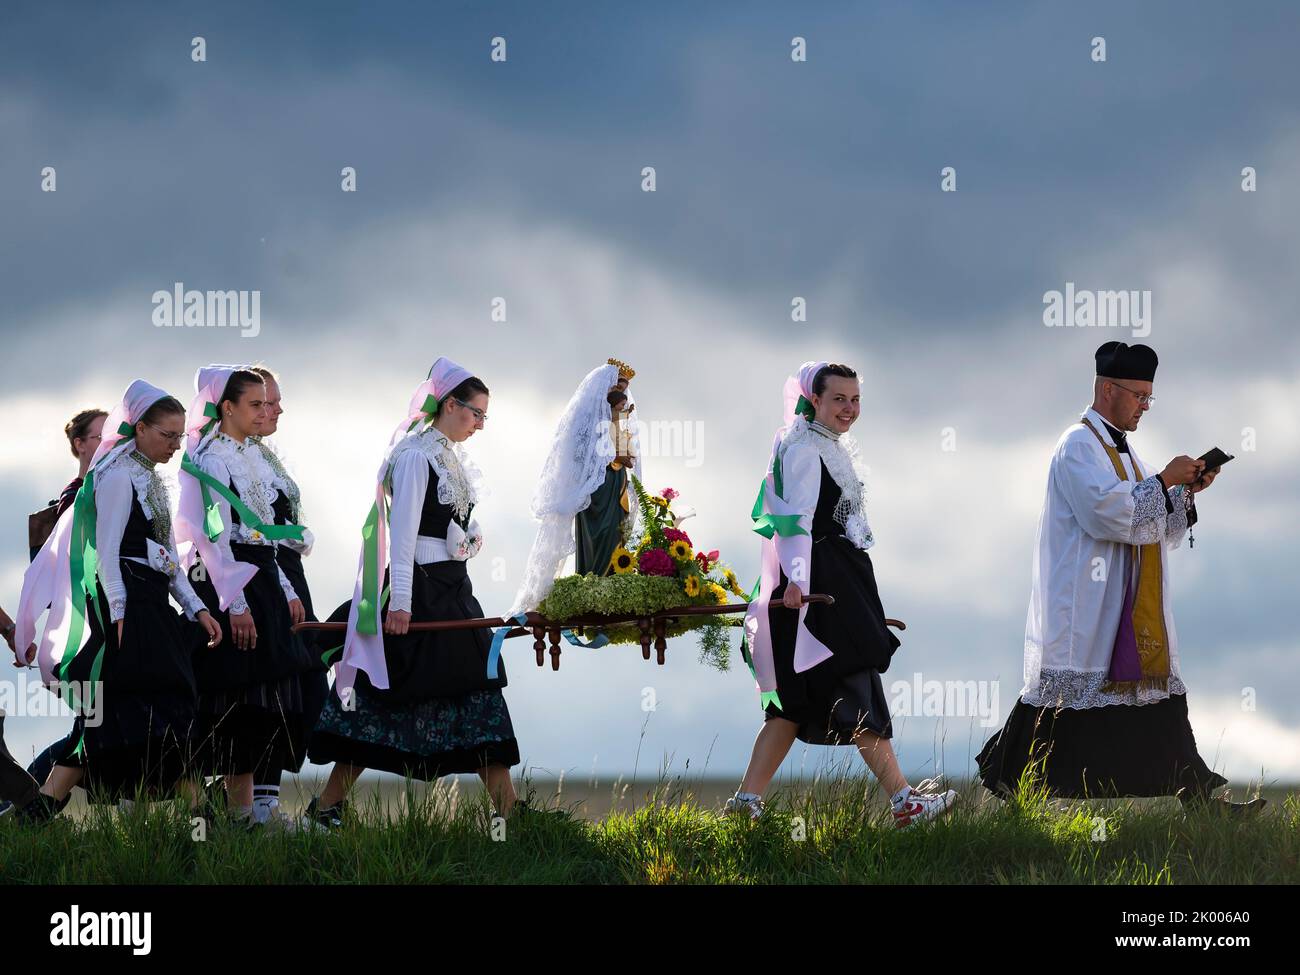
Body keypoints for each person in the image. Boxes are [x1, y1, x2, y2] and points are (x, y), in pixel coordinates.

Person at [976, 342, 1260, 813]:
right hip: (1084, 604)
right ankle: (1013, 791)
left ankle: (1203, 804)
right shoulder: (1077, 445)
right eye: (1139, 397)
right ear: (1108, 389)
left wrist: (1186, 491)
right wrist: (1165, 482)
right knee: (1059, 711)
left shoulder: (1128, 456)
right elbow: (1107, 514)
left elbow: (1157, 525)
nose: (1145, 407)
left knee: (1161, 708)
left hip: (1125, 604)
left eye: (1150, 398)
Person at [728, 361, 958, 828]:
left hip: (835, 577)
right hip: (816, 584)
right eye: (838, 399)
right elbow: (795, 523)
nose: (849, 409)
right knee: (855, 682)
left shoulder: (827, 447)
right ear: (814, 400)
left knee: (794, 704)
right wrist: (796, 582)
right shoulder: (804, 451)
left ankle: (745, 805)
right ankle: (904, 802)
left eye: (855, 400)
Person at [307, 357, 520, 826]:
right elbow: (400, 536)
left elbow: (448, 526)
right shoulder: (415, 455)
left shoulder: (451, 458)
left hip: (454, 589)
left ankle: (509, 813)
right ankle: (326, 808)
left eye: (486, 416)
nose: (481, 425)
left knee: (478, 690)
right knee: (380, 696)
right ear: (449, 404)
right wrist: (400, 603)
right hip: (417, 591)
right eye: (475, 413)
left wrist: (469, 537)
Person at [8, 380, 221, 822]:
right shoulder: (118, 475)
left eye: (180, 436)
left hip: (150, 607)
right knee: (134, 708)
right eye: (167, 435)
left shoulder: (150, 479)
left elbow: (166, 560)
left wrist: (197, 608)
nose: (175, 445)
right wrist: (120, 613)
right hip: (123, 609)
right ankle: (203, 820)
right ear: (140, 428)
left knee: (152, 710)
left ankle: (39, 811)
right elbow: (106, 555)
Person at [176, 366, 314, 826]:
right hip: (228, 579)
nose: (263, 411)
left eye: (265, 403)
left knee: (266, 697)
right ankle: (231, 812)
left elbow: (266, 539)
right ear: (228, 407)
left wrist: (288, 589)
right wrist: (234, 603)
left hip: (262, 577)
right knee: (236, 696)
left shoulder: (253, 456)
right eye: (254, 404)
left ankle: (252, 809)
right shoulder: (212, 459)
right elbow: (214, 537)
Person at [244, 365, 329, 826]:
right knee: (276, 684)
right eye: (265, 402)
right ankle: (254, 803)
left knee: (304, 686)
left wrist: (296, 535)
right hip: (263, 579)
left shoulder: (268, 457)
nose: (277, 409)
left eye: (274, 401)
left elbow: (278, 524)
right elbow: (247, 530)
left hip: (290, 571)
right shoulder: (225, 457)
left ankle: (264, 798)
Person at [508, 358, 641, 616]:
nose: (622, 395)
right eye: (618, 389)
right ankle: (594, 583)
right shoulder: (586, 420)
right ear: (605, 391)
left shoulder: (620, 421)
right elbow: (580, 456)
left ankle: (612, 583)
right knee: (598, 532)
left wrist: (621, 447)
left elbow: (628, 456)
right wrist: (613, 456)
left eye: (624, 390)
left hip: (616, 485)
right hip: (595, 488)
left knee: (617, 531)